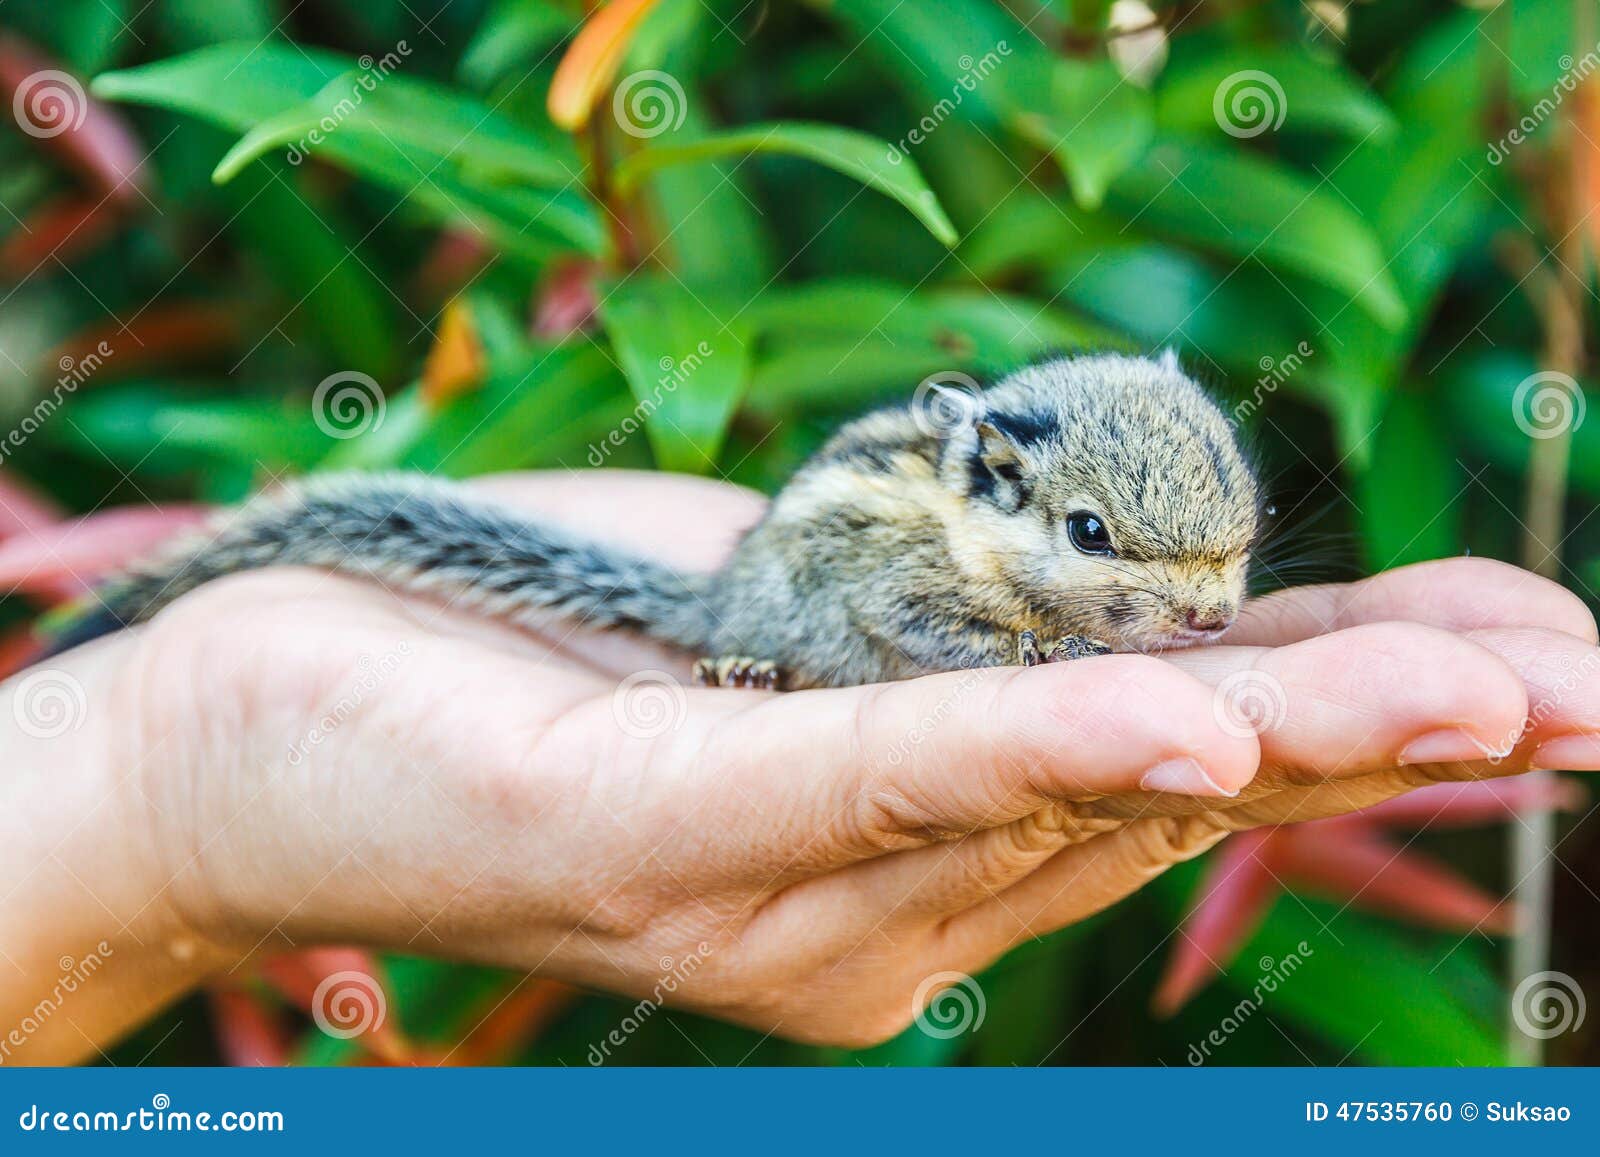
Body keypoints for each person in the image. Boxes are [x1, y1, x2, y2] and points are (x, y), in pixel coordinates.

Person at [3, 471, 1597, 1064]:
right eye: (1114, 556)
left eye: (1221, 571)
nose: (1192, 611)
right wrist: (165, 773)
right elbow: (914, 622)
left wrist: (159, 787)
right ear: (1003, 489)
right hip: (781, 616)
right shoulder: (917, 547)